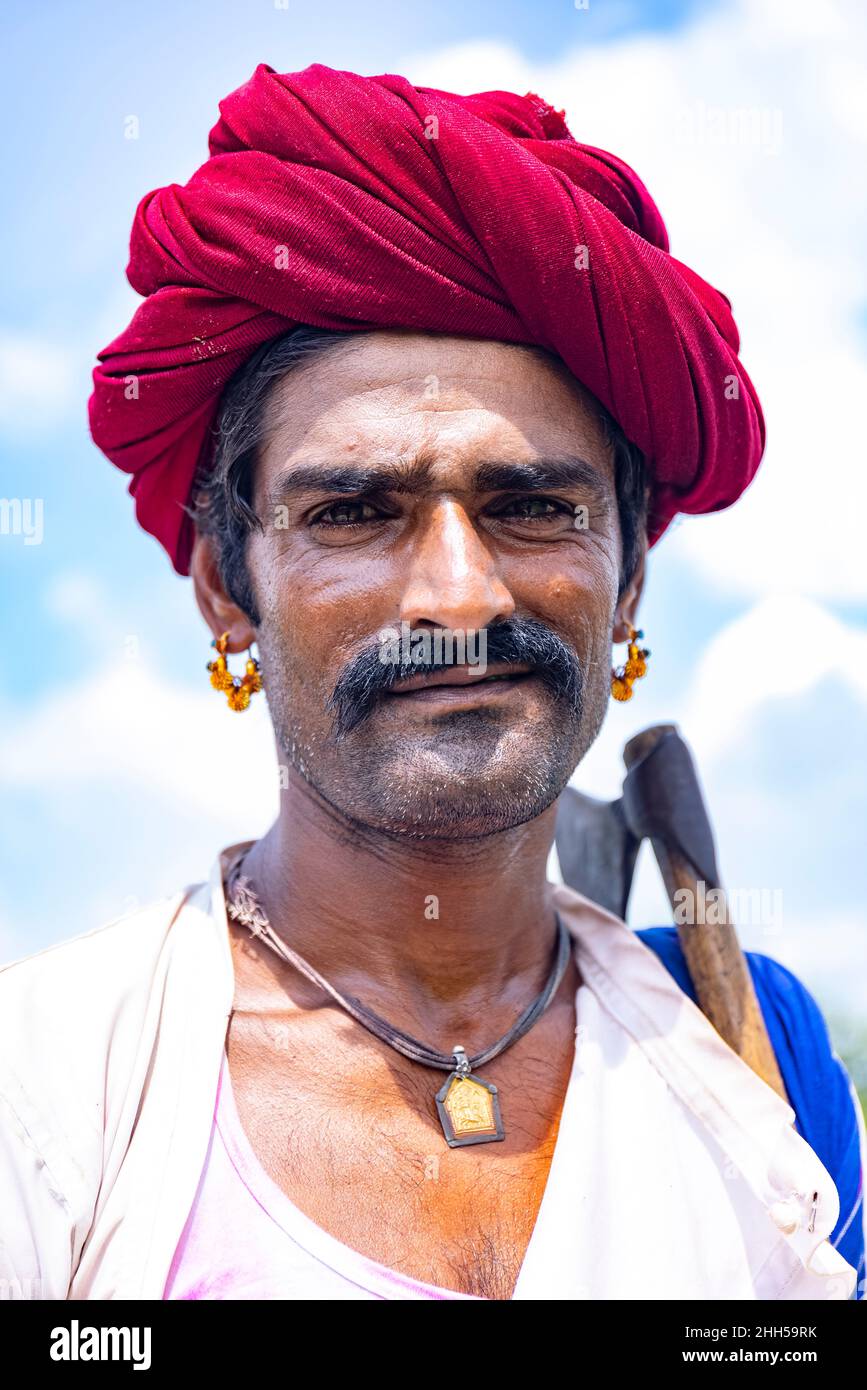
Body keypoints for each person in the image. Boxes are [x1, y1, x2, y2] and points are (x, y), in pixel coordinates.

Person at [0, 62, 863, 1302]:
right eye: (354, 509)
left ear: (627, 587)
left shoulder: (755, 1067)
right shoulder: (47, 1104)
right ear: (226, 593)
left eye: (533, 506)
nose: (459, 596)